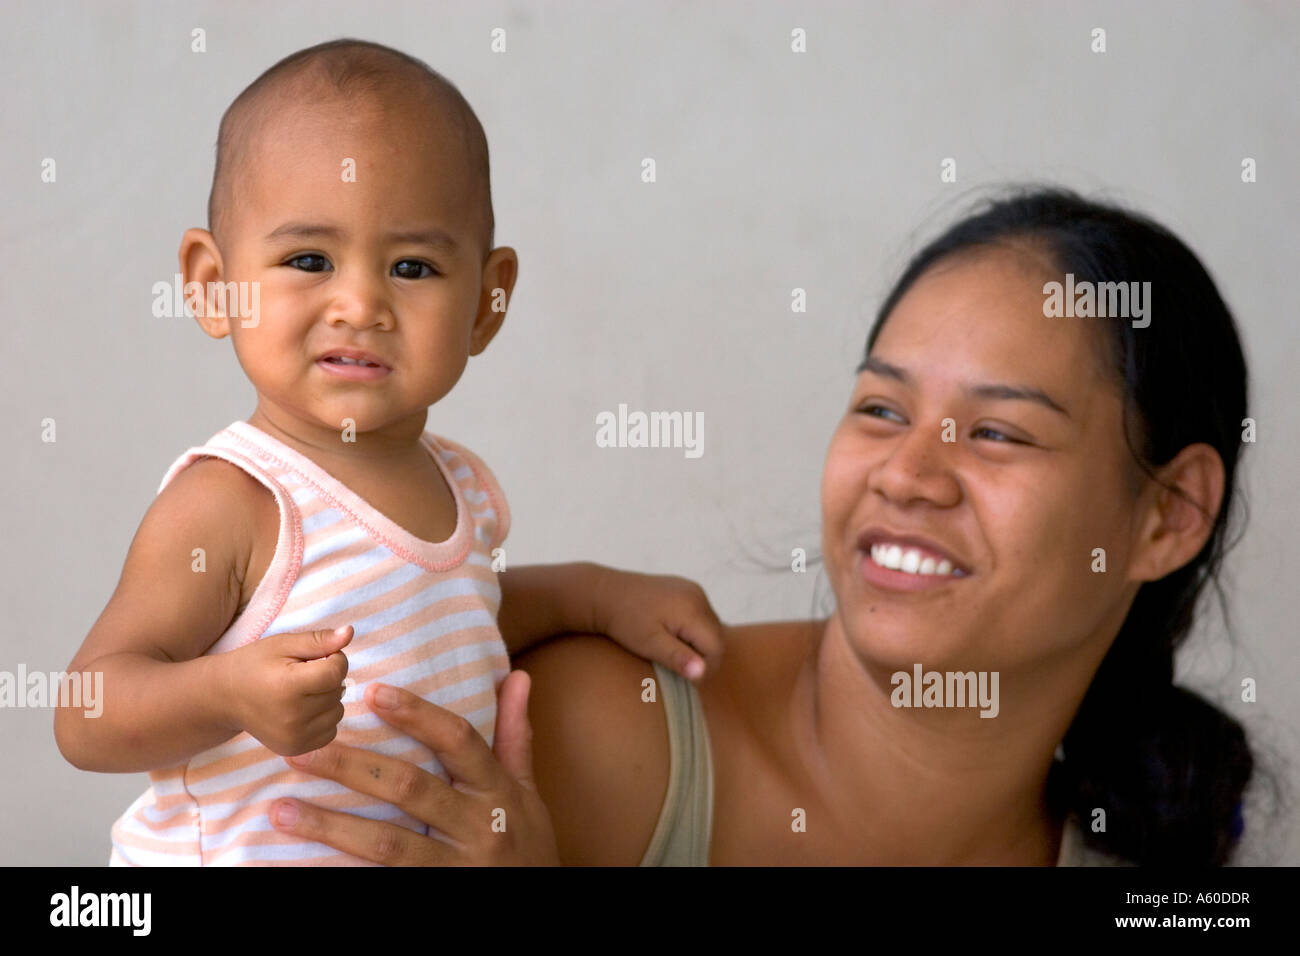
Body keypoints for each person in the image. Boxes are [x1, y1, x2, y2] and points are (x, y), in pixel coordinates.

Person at [265, 187, 1258, 866]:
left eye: (996, 431)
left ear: (1165, 518)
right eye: (879, 408)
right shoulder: (601, 735)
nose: (906, 474)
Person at [53, 39, 724, 866]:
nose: (361, 302)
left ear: (486, 302)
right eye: (309, 259)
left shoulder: (464, 488)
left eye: (412, 266)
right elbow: (86, 713)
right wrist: (225, 691)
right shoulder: (237, 501)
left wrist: (596, 594)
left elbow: (455, 620)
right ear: (211, 283)